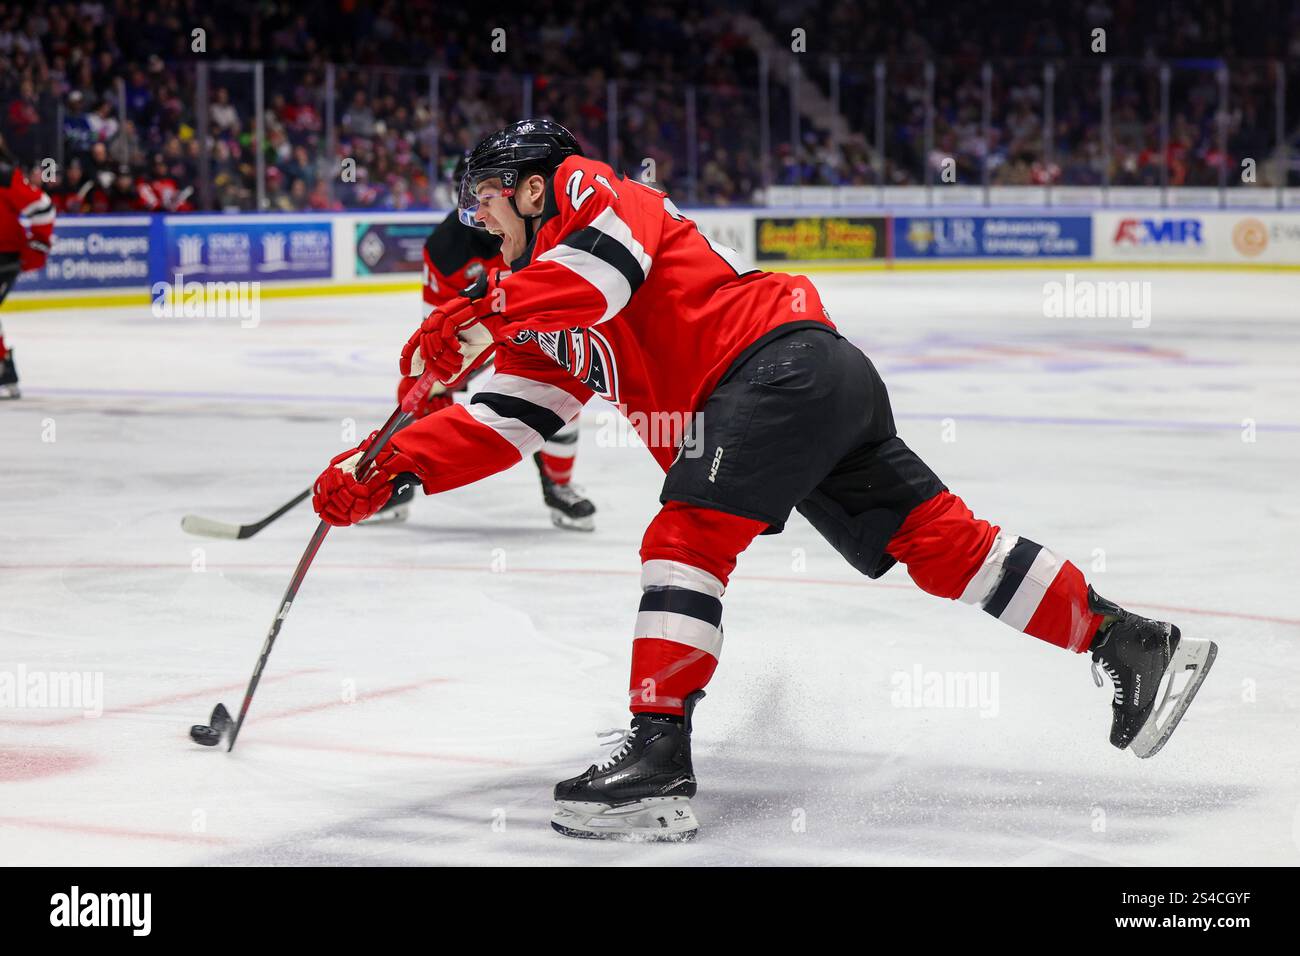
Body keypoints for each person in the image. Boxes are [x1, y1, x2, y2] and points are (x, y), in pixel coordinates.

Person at [310, 120, 1216, 842]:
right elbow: (505, 421)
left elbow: (606, 276)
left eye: (488, 197)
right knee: (944, 547)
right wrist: (390, 470)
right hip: (808, 386)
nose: (478, 218)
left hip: (771, 371)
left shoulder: (595, 195)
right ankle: (1129, 641)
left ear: (536, 184)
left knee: (684, 537)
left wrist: (485, 309)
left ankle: (659, 757)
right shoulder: (538, 310)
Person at [368, 154, 597, 532]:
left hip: (533, 327)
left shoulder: (542, 226)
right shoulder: (445, 246)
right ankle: (395, 479)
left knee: (562, 397)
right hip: (475, 333)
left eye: (486, 195)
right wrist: (441, 381)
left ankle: (559, 485)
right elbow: (435, 320)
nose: (480, 208)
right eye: (473, 197)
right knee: (416, 387)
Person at [0, 140, 56, 399]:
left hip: (4, 256)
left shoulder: (4, 175)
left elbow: (42, 207)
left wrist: (38, 246)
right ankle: (4, 370)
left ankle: (3, 369)